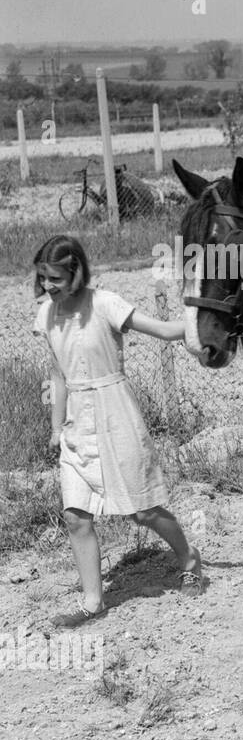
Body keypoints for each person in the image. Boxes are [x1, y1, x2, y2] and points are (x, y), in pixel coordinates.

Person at [31, 235, 203, 626]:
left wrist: (200, 327)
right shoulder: (46, 314)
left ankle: (189, 558)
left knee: (142, 511)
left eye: (55, 279)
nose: (47, 287)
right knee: (76, 516)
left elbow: (160, 330)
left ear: (76, 273)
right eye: (43, 279)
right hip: (77, 421)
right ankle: (93, 602)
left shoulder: (105, 303)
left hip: (115, 414)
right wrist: (56, 427)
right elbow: (57, 375)